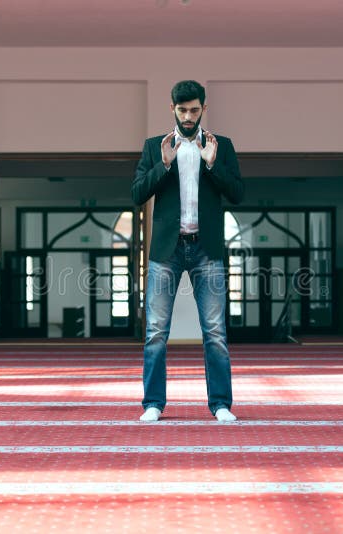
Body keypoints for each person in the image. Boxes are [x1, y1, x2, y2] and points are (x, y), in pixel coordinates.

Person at [132, 80, 244, 422]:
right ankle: (153, 404)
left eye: (194, 110)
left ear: (203, 109)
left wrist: (213, 164)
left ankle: (221, 404)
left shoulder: (220, 146)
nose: (188, 116)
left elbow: (238, 193)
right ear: (172, 109)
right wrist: (163, 165)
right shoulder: (155, 147)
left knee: (215, 331)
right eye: (182, 110)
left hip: (206, 249)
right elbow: (137, 193)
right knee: (155, 331)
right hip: (167, 249)